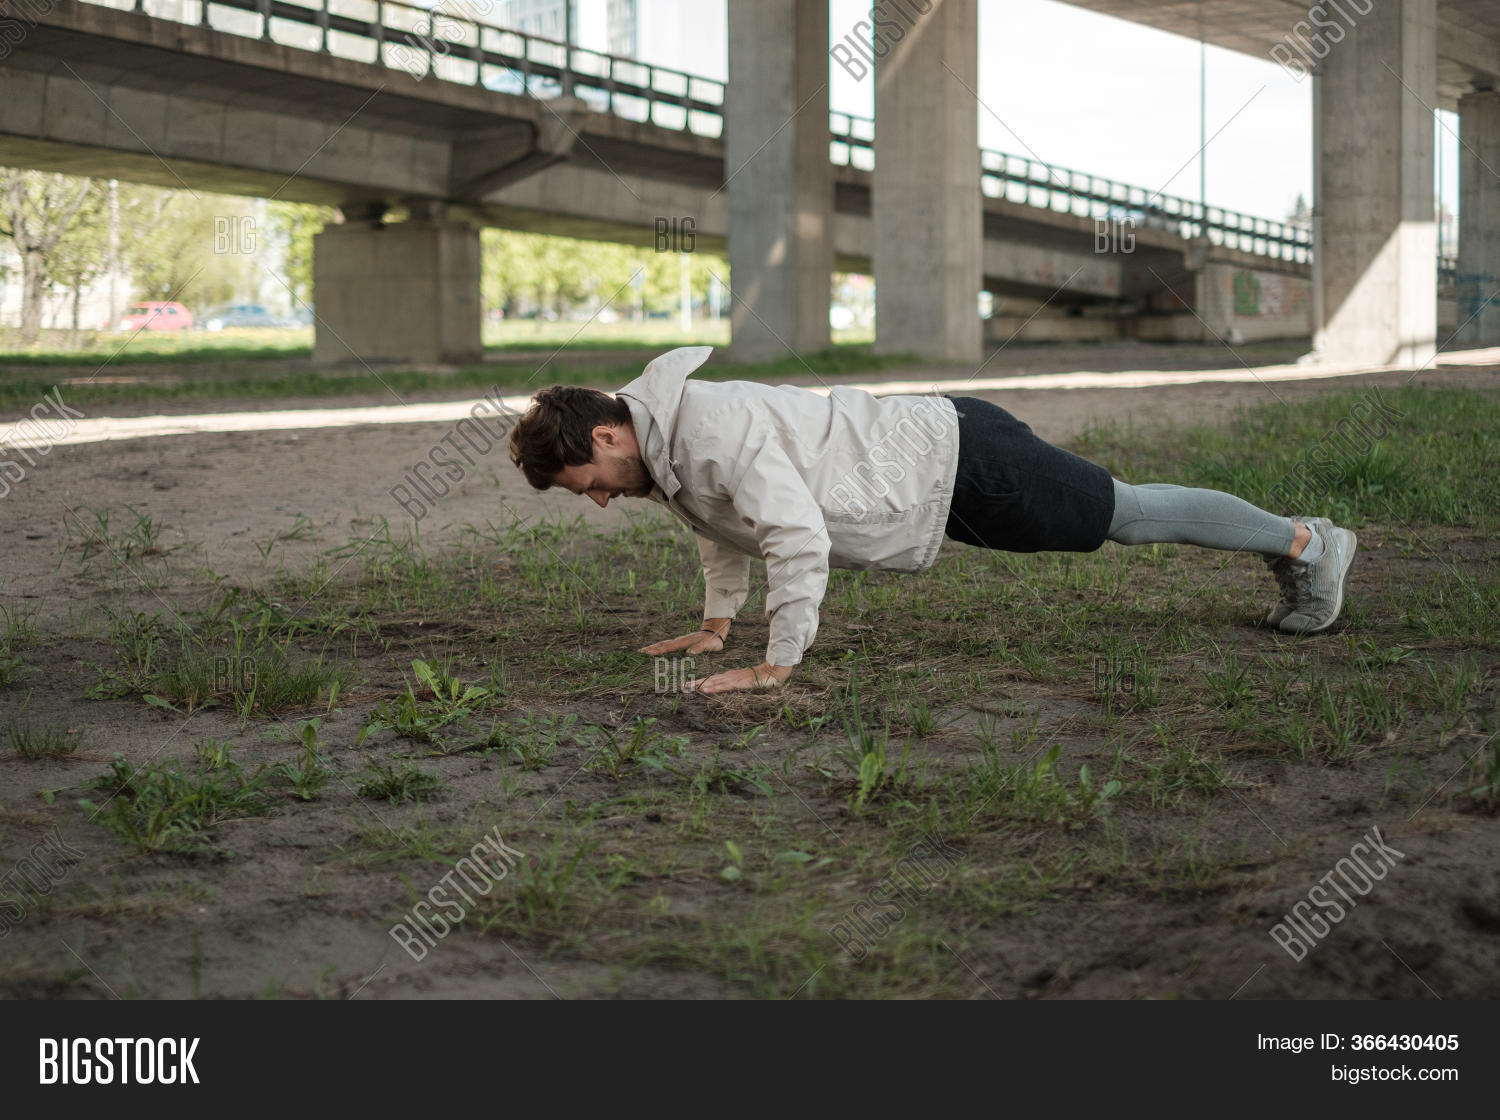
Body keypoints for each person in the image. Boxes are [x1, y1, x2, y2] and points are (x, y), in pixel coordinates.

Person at [507, 347, 1357, 695]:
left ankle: (1309, 543)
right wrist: (716, 624)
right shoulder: (668, 450)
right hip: (941, 478)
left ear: (609, 434)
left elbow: (793, 535)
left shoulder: (707, 429)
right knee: (1122, 516)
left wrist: (778, 663)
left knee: (1125, 516)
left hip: (964, 462)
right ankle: (1300, 540)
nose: (600, 499)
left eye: (589, 482)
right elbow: (721, 523)